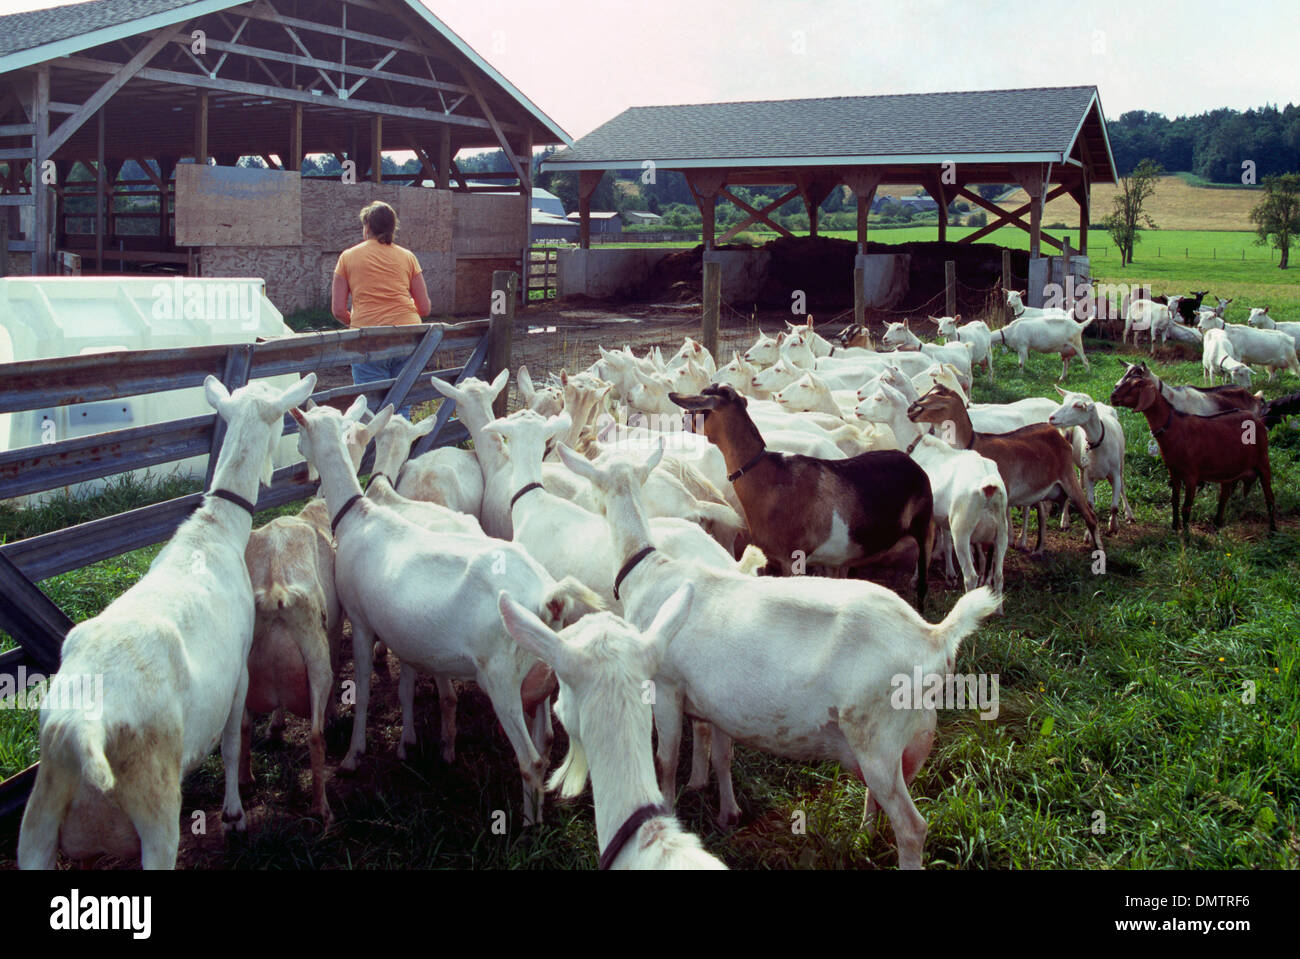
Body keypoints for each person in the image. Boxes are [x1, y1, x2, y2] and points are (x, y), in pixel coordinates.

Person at [331, 200, 432, 418]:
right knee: (401, 405)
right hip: (409, 337)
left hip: (369, 340)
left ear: (367, 227)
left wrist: (360, 320)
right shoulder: (408, 257)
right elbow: (424, 308)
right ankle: (401, 450)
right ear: (392, 228)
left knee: (371, 410)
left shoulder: (347, 257)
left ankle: (372, 452)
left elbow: (338, 310)